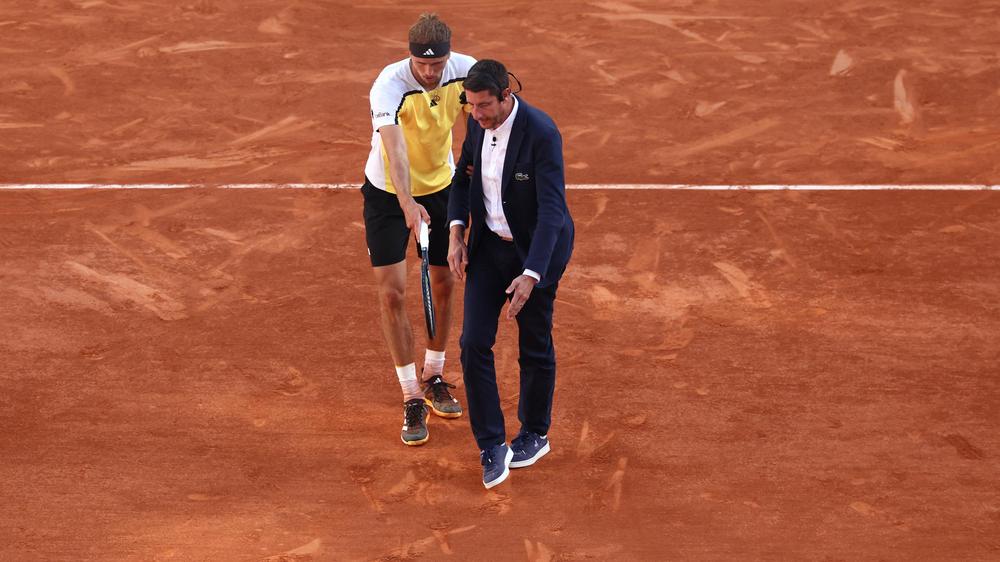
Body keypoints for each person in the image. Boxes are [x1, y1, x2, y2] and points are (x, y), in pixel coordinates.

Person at [447, 59, 574, 488]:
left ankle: (535, 433)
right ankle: (491, 444)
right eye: (471, 107)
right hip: (488, 250)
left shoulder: (540, 132)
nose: (477, 115)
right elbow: (462, 178)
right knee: (472, 344)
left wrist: (532, 273)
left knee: (534, 344)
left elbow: (553, 211)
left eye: (484, 106)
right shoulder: (476, 123)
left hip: (535, 251)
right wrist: (457, 231)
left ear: (506, 95)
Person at [362, 13, 475, 446]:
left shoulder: (465, 71)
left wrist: (471, 184)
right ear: (409, 56)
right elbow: (393, 146)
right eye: (421, 64)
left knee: (444, 283)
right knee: (392, 293)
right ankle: (411, 394)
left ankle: (434, 374)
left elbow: (477, 124)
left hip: (442, 188)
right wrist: (408, 202)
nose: (429, 73)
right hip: (388, 193)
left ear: (449, 55)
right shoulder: (388, 84)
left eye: (437, 64)